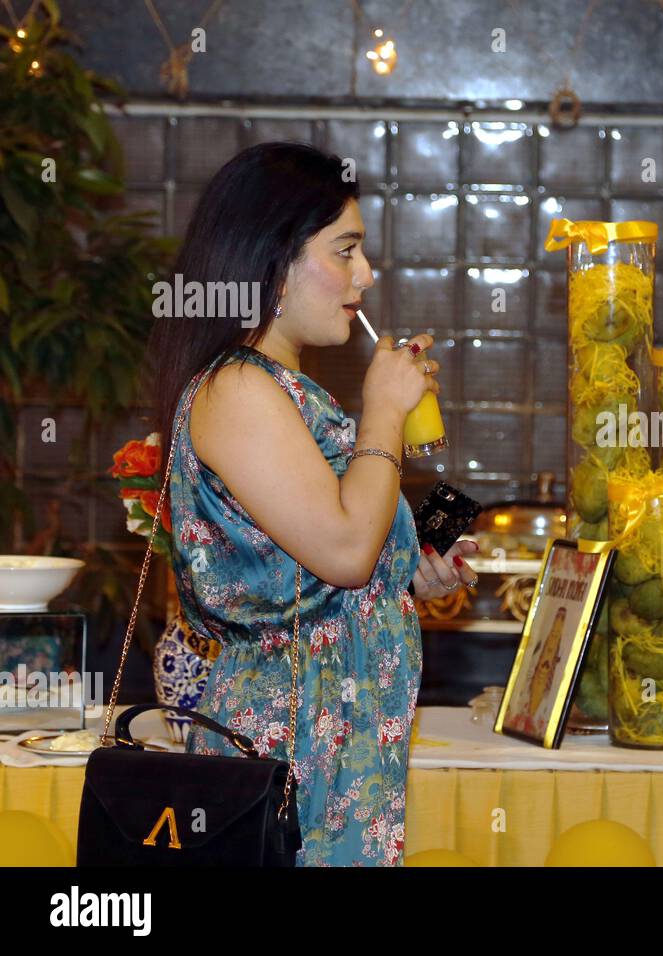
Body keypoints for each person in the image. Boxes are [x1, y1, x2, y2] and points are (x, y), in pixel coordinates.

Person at [147, 142, 478, 866]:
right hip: (287, 751)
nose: (366, 273)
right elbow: (345, 552)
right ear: (272, 259)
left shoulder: (291, 391)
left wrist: (416, 573)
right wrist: (385, 412)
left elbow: (339, 564)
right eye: (346, 251)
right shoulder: (237, 390)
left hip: (338, 748)